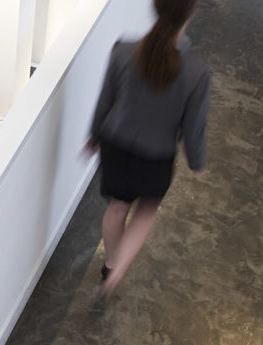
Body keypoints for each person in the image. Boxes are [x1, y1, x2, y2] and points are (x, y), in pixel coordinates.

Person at [86, 0, 210, 300]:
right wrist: (196, 161)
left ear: (155, 8)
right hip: (155, 156)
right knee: (145, 214)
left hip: (115, 147)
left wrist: (94, 135)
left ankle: (111, 263)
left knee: (117, 206)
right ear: (189, 16)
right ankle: (118, 274)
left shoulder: (123, 50)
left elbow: (105, 100)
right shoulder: (196, 72)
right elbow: (194, 127)